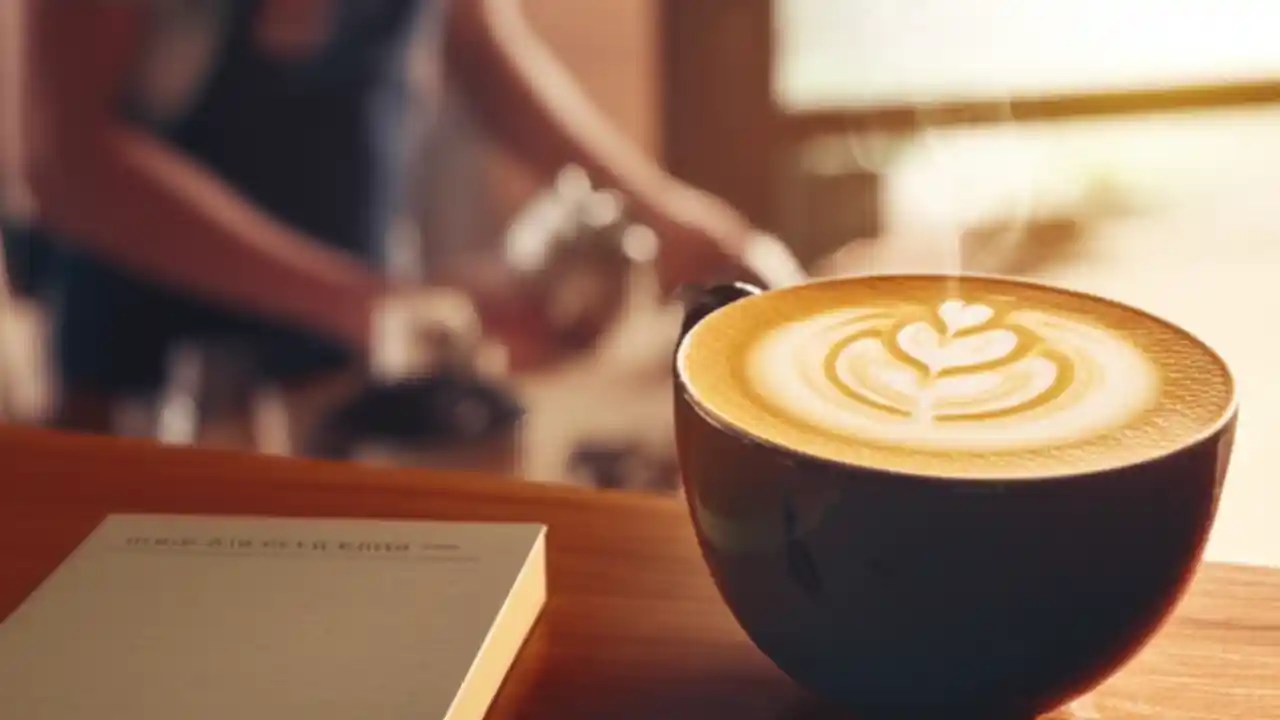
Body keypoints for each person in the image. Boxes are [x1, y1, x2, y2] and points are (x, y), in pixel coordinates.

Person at [26, 0, 764, 432]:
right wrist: (372, 304)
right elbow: (67, 163)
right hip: (144, 403)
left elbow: (475, 40)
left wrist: (666, 219)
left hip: (353, 385)